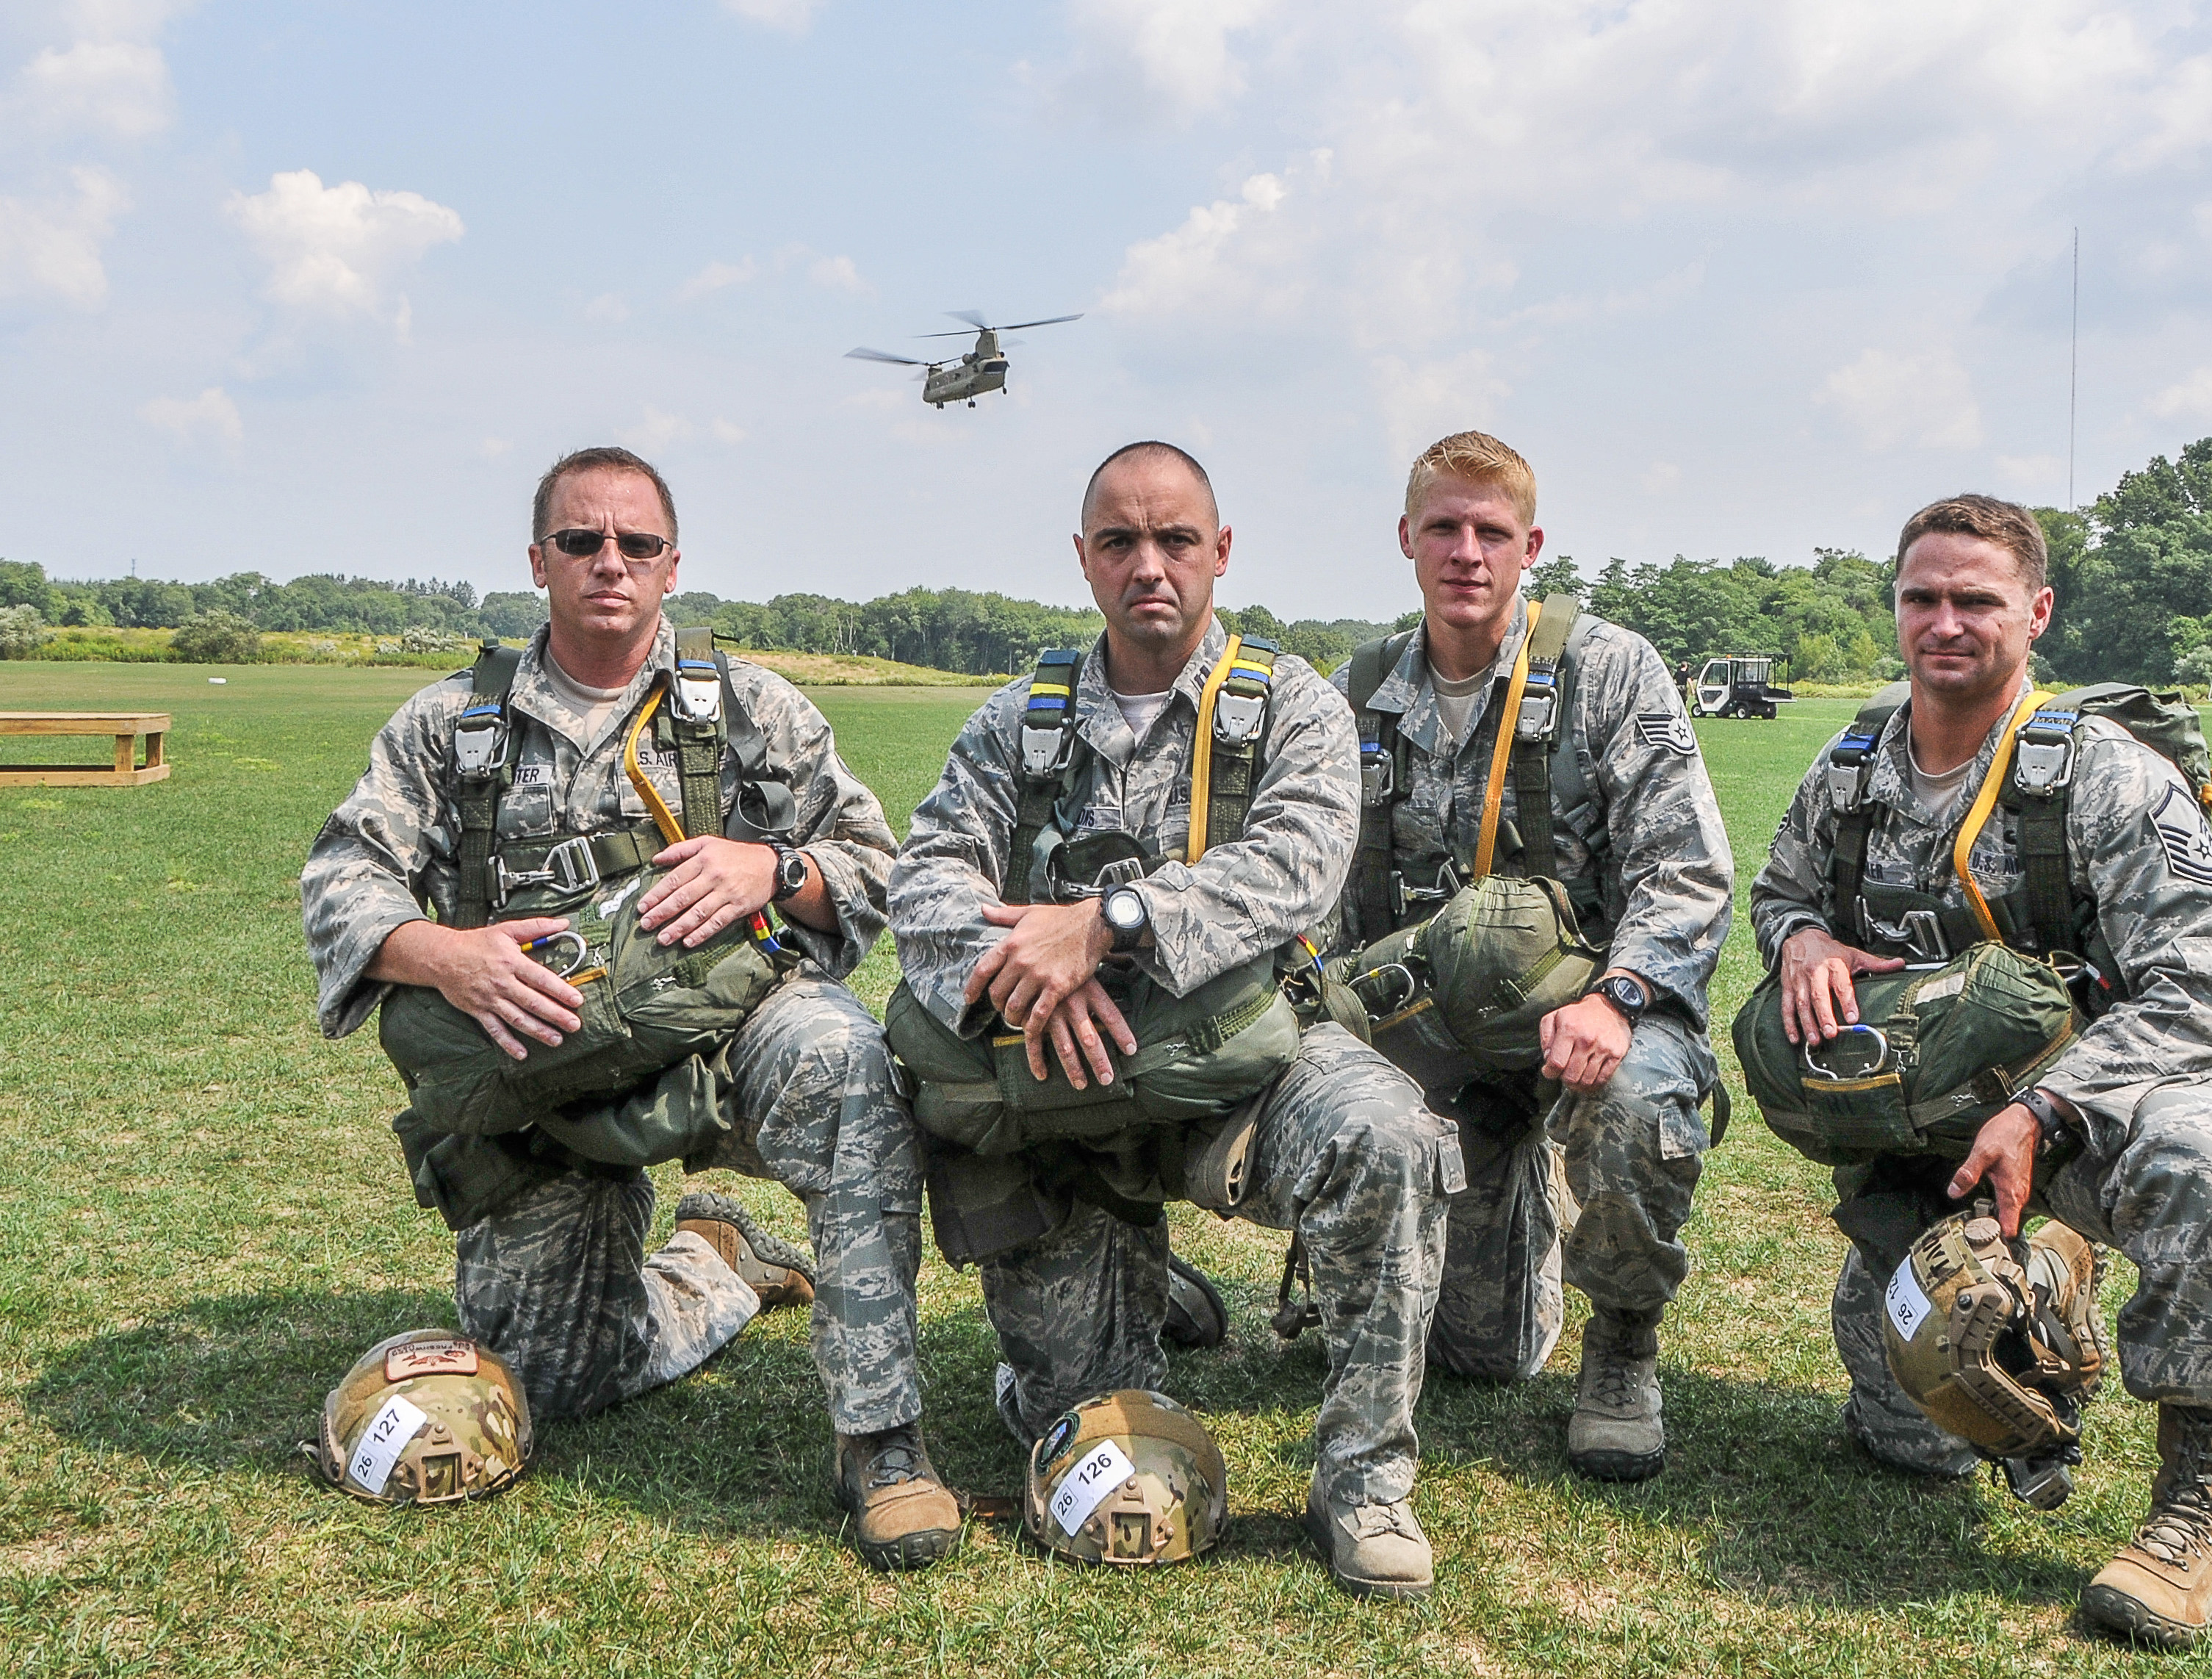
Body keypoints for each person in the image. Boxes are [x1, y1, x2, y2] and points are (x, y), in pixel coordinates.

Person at [301, 446, 960, 1570]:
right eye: (582, 541)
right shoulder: (453, 722)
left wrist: (774, 869)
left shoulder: (748, 706)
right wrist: (445, 955)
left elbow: (878, 863)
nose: (611, 561)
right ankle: (714, 1263)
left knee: (844, 1059)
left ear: (671, 565)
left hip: (733, 1037)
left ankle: (880, 1440)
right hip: (542, 1064)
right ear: (539, 562)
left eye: (636, 543)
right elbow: (342, 877)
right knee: (557, 1379)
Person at [886, 441, 1460, 1600]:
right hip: (1062, 1082)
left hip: (1244, 1072)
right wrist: (1026, 963)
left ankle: (1362, 1478)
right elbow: (925, 882)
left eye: (1176, 540)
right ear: (1086, 561)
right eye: (1121, 541)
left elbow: (1299, 866)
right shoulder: (1019, 722)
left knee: (1391, 1133)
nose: (1150, 564)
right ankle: (1130, 1304)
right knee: (1072, 1422)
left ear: (1221, 552)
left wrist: (1105, 923)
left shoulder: (1288, 701)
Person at [1748, 493, 2212, 1648]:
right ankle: (2043, 1278)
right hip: (1935, 1139)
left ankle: (2197, 1503)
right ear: (1896, 609)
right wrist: (1799, 938)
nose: (1946, 622)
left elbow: (2209, 992)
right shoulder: (1850, 769)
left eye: (1976, 600)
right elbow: (1781, 889)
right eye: (1922, 597)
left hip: (2082, 1117)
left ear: (2035, 612)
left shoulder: (2103, 776)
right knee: (1922, 1440)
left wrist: (2050, 1104)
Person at [1328, 431, 1734, 1481]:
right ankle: (1381, 1251)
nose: (1467, 551)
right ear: (1407, 539)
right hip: (1438, 1037)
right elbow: (1316, 882)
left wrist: (1619, 995)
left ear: (1530, 544)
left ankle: (1623, 1343)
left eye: (1491, 531)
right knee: (1487, 1357)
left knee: (1640, 1097)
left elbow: (1686, 872)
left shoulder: (1608, 671)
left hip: (1588, 1024)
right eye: (1445, 528)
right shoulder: (1360, 690)